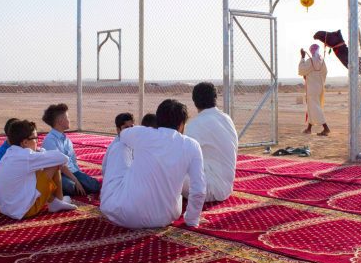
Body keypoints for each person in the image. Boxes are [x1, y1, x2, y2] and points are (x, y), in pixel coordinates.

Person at [100, 99, 206, 229]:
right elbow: (199, 189)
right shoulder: (192, 145)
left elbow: (123, 135)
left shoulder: (142, 134)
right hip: (167, 217)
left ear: (159, 119)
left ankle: (111, 195)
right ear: (181, 124)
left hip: (128, 215)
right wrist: (192, 220)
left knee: (119, 146)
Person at [0, 119, 77, 219]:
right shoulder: (26, 156)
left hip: (5, 209)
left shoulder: (9, 153)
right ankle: (59, 201)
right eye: (35, 138)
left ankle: (55, 201)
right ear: (25, 142)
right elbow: (62, 158)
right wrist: (41, 152)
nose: (37, 141)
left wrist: (40, 153)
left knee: (40, 165)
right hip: (23, 211)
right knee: (53, 163)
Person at [184, 82, 238, 202]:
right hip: (226, 187)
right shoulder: (226, 119)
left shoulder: (195, 124)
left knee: (164, 167)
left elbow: (182, 157)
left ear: (194, 101)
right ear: (215, 98)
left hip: (207, 189)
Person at [40, 103, 101, 197]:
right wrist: (76, 180)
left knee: (95, 186)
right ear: (60, 121)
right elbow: (60, 165)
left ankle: (79, 188)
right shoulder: (50, 140)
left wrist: (80, 176)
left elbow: (73, 161)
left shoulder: (67, 140)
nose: (69, 120)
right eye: (67, 117)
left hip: (73, 172)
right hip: (59, 174)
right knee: (70, 186)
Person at [298, 43, 330, 136]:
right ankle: (309, 128)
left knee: (315, 108)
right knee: (312, 108)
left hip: (312, 89)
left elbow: (301, 70)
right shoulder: (321, 61)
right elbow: (325, 72)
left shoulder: (310, 61)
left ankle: (326, 128)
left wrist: (302, 57)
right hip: (319, 88)